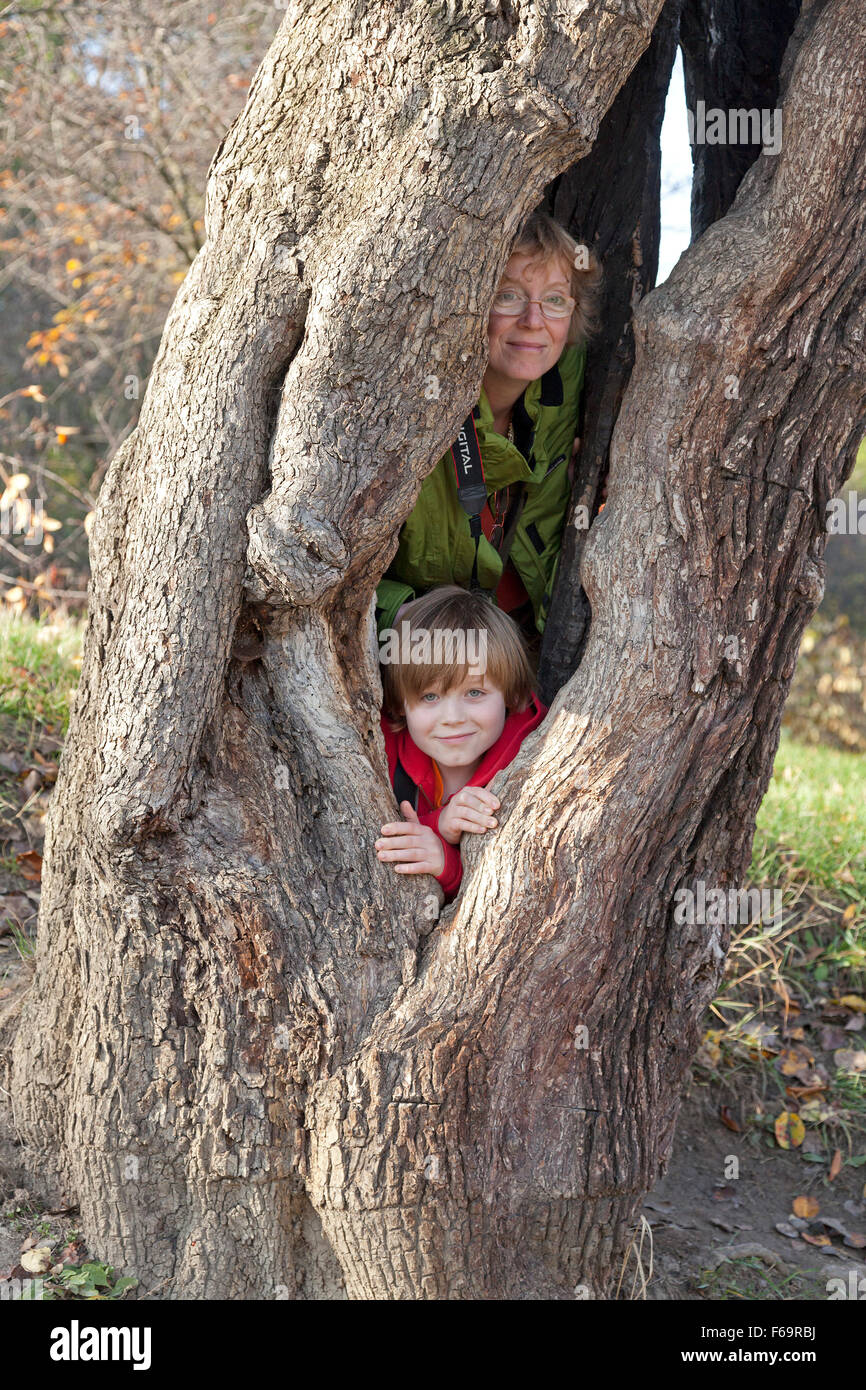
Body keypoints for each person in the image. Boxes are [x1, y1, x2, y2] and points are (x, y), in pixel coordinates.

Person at [375, 209, 602, 655]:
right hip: (418, 675)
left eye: (555, 299)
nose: (534, 321)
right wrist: (406, 618)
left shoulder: (570, 397)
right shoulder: (405, 410)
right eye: (508, 295)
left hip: (528, 663)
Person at [375, 585, 547, 902]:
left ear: (511, 693)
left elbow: (519, 896)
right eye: (430, 696)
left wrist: (448, 866)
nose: (452, 717)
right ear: (400, 703)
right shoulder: (376, 750)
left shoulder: (539, 758)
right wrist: (439, 825)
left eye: (474, 693)